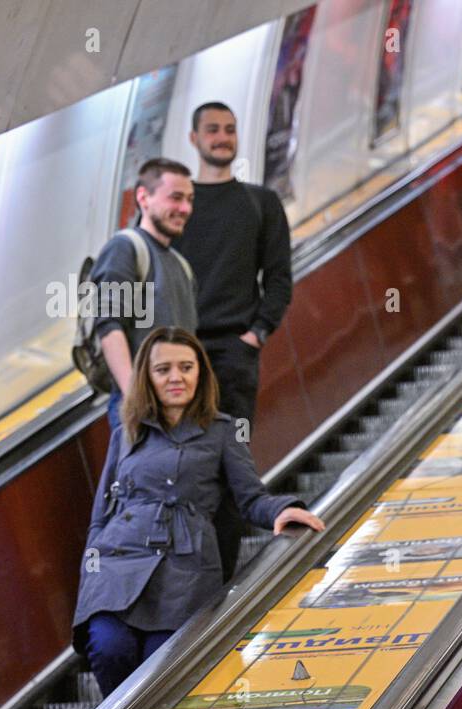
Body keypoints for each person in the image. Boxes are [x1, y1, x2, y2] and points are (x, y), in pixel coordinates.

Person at [71, 327, 324, 695]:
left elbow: (250, 497)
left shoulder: (223, 431)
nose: (176, 377)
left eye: (187, 367)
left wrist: (282, 511)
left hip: (182, 569)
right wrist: (91, 569)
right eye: (164, 369)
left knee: (164, 672)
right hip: (117, 566)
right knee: (110, 648)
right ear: (147, 377)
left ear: (200, 373)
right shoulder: (125, 432)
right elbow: (101, 514)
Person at [174, 101, 293, 581]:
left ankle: (222, 579)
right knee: (182, 468)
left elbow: (280, 280)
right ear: (193, 138)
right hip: (180, 357)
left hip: (233, 356)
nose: (222, 137)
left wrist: (253, 336)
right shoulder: (179, 207)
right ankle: (188, 581)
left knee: (229, 465)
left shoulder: (260, 203)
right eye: (212, 130)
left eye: (229, 129)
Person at [91, 158, 199, 430]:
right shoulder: (125, 249)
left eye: (189, 199)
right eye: (175, 198)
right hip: (141, 409)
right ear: (143, 197)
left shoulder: (182, 265)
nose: (185, 208)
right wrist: (135, 397)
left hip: (181, 410)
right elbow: (109, 326)